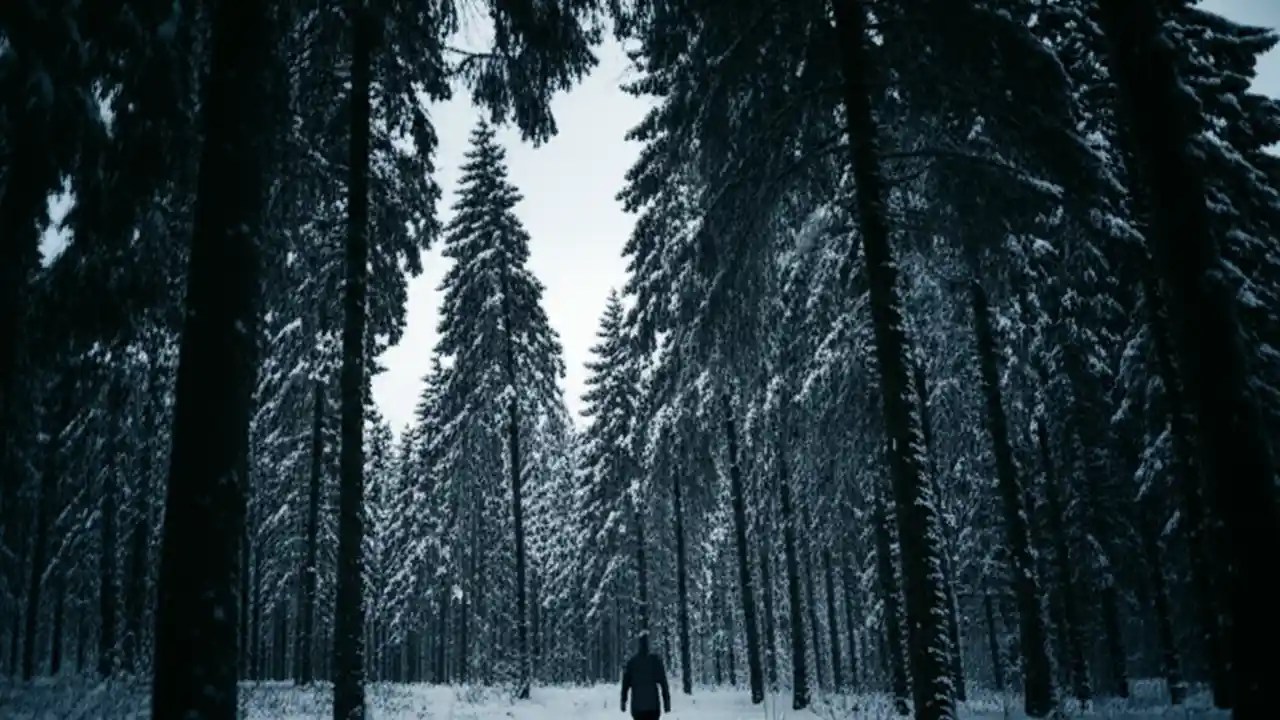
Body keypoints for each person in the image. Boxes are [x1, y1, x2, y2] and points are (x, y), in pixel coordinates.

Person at [621, 634, 671, 719]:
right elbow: (663, 683)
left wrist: (623, 701)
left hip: (637, 707)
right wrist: (666, 703)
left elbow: (625, 684)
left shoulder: (632, 663)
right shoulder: (655, 661)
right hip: (653, 707)